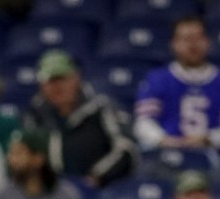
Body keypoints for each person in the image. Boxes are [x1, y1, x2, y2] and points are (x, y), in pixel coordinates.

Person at [22, 51, 136, 189]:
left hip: (101, 190)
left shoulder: (101, 107)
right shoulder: (35, 114)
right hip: (50, 194)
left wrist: (96, 177)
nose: (57, 87)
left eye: (62, 78)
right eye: (50, 81)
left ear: (76, 78)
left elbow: (126, 148)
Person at [134, 16, 220, 153]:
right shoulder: (157, 79)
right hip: (165, 155)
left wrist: (208, 139)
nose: (192, 45)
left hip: (212, 157)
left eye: (197, 38)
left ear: (207, 41)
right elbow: (143, 123)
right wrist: (163, 139)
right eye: (185, 39)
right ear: (174, 43)